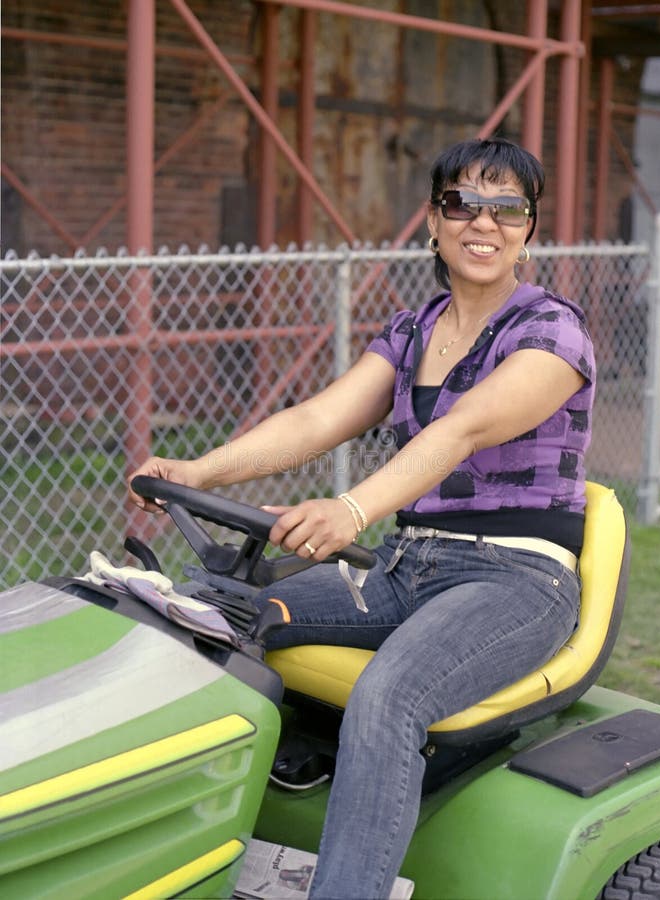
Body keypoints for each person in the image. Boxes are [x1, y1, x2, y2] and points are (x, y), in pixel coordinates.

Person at [128, 137, 595, 899]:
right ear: (433, 220)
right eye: (462, 204)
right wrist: (194, 472)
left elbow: (462, 430)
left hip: (518, 579)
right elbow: (317, 420)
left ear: (529, 226)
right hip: (407, 567)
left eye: (506, 207)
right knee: (195, 609)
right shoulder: (413, 331)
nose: (484, 223)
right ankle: (191, 835)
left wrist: (349, 508)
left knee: (391, 693)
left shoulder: (550, 330)